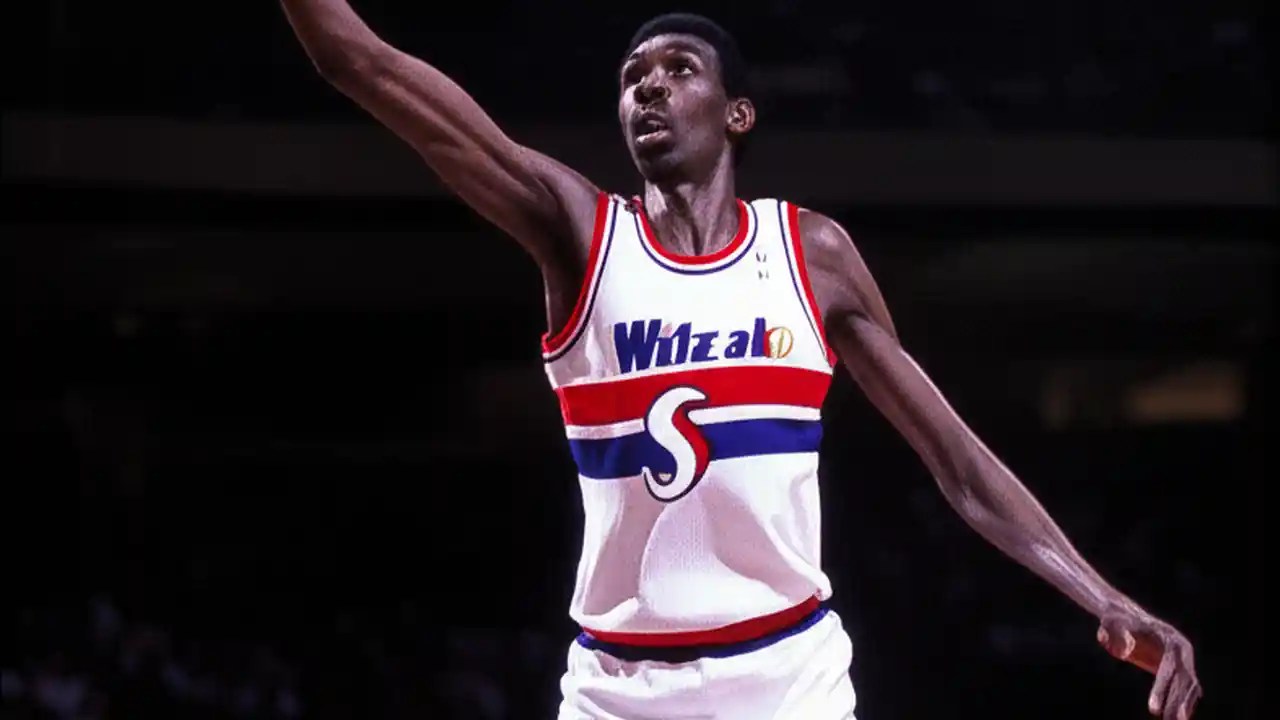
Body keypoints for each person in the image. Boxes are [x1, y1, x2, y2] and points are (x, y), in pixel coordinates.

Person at [278, 3, 1202, 718]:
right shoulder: (581, 234)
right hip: (618, 687)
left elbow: (957, 462)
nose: (649, 87)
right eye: (633, 75)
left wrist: (1103, 595)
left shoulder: (811, 256)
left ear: (737, 113)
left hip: (785, 680)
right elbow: (357, 61)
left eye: (680, 71)